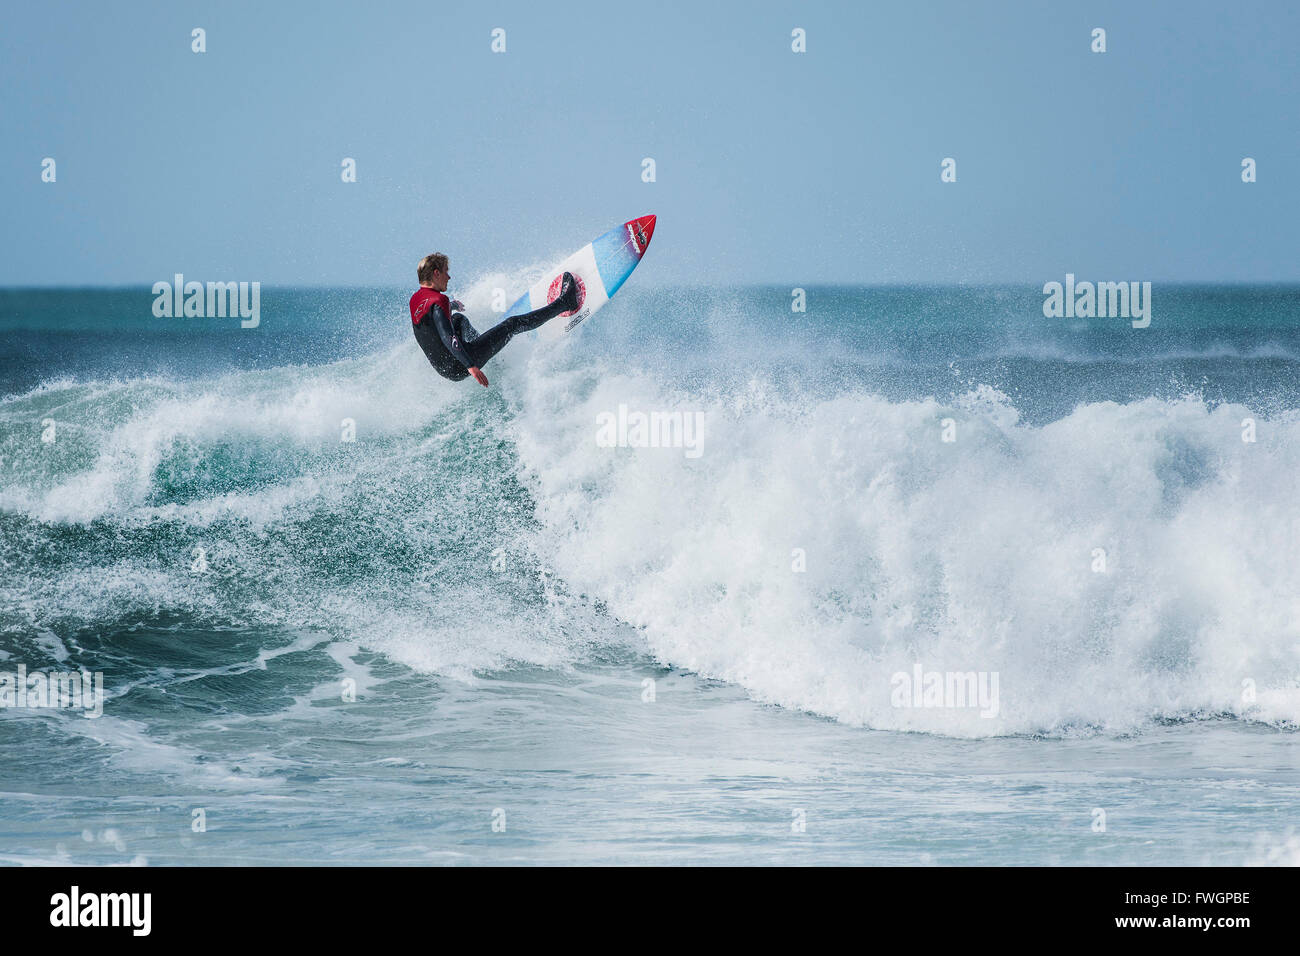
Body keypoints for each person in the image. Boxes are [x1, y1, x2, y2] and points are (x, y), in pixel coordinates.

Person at [409, 253, 580, 387]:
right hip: (460, 363)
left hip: (444, 368)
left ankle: (486, 348)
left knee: (458, 319)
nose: (449, 277)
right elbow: (448, 337)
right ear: (436, 273)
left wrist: (453, 305)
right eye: (446, 271)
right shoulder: (439, 302)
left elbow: (433, 322)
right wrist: (471, 366)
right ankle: (565, 303)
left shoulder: (417, 300)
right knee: (512, 324)